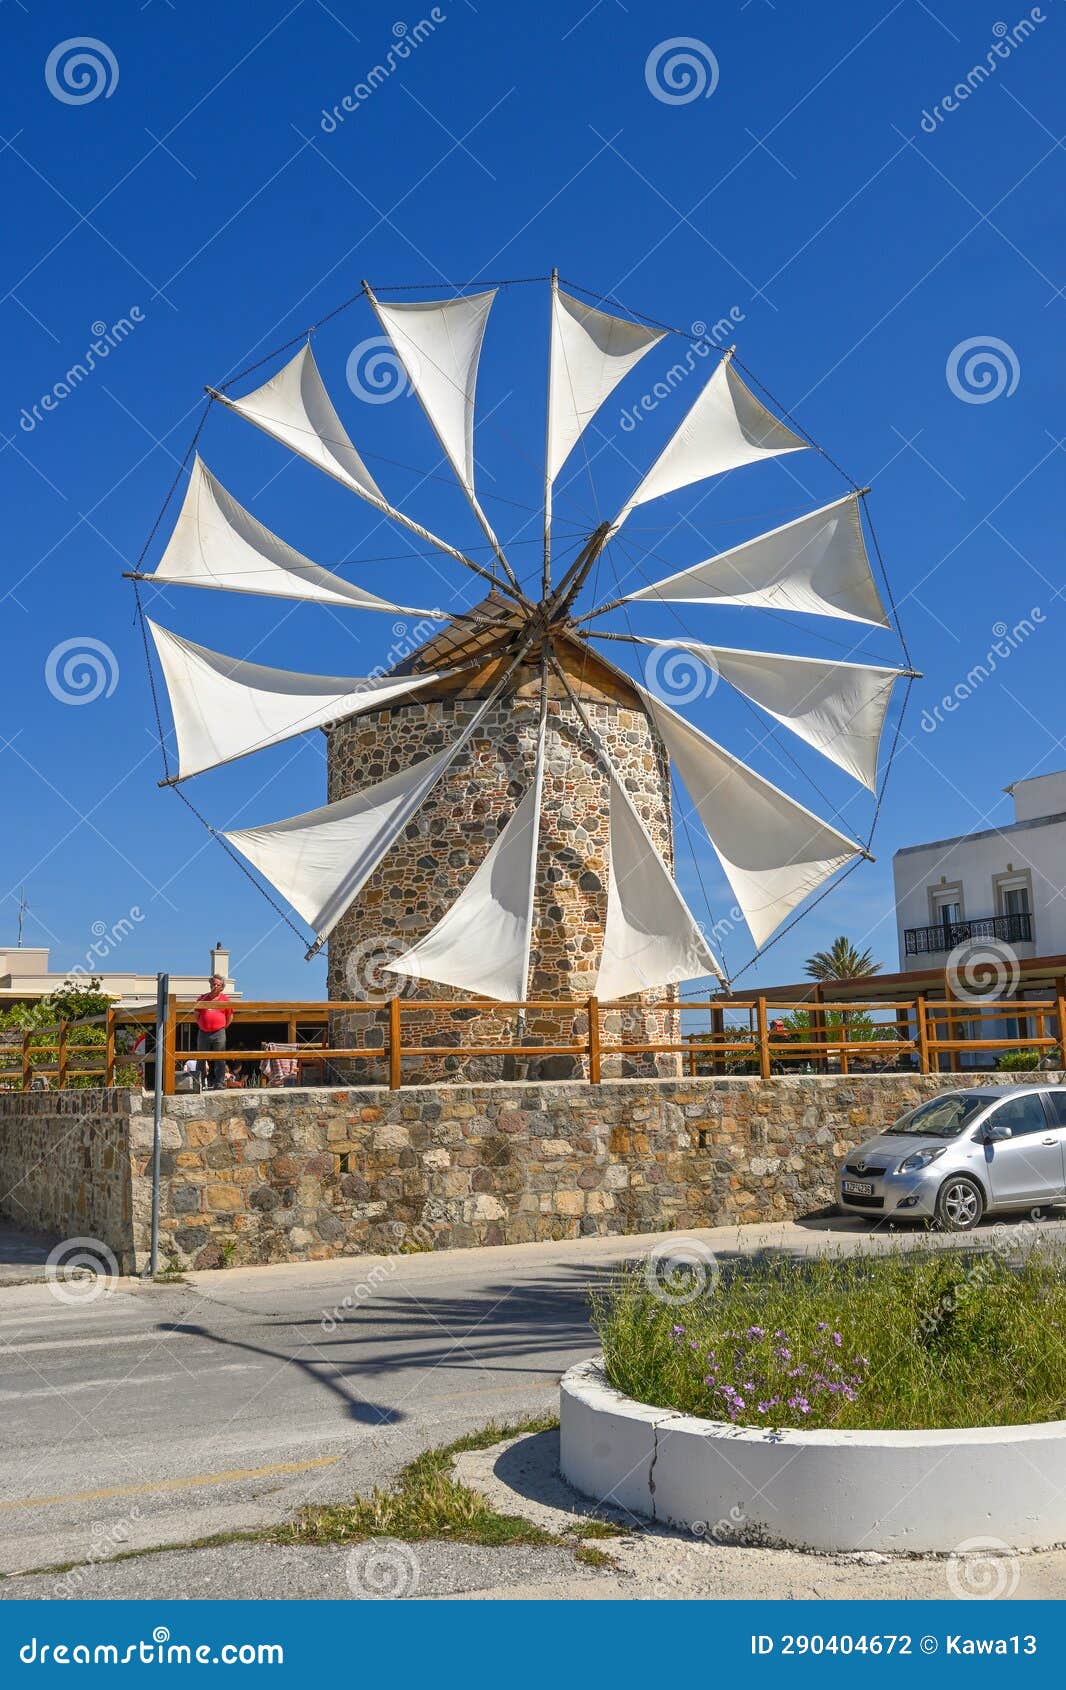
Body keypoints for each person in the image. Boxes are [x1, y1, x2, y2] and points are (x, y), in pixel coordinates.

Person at [195, 974, 233, 1090]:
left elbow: (230, 1017)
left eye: (217, 985)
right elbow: (196, 1015)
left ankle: (219, 1083)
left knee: (220, 1058)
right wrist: (202, 1025)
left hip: (219, 1032)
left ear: (222, 987)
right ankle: (199, 1083)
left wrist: (222, 1027)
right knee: (201, 1058)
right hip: (203, 1032)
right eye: (213, 984)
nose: (215, 986)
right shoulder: (202, 998)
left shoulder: (225, 1000)